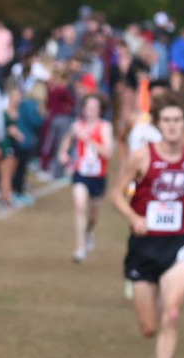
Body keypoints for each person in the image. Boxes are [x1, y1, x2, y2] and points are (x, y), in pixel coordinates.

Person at [111, 91, 184, 358]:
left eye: (177, 120)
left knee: (172, 314)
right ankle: (138, 286)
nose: (171, 126)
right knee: (149, 327)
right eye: (166, 120)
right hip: (142, 245)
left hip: (176, 245)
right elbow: (117, 194)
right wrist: (133, 217)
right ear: (157, 123)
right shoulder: (141, 156)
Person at [60, 92, 113, 262]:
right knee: (79, 206)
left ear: (100, 110)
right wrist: (63, 153)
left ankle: (89, 231)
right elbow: (67, 141)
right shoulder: (76, 125)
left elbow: (108, 152)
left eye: (94, 107)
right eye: (87, 107)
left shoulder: (105, 127)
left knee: (93, 215)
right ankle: (80, 249)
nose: (90, 110)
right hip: (80, 173)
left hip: (98, 175)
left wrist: (89, 139)